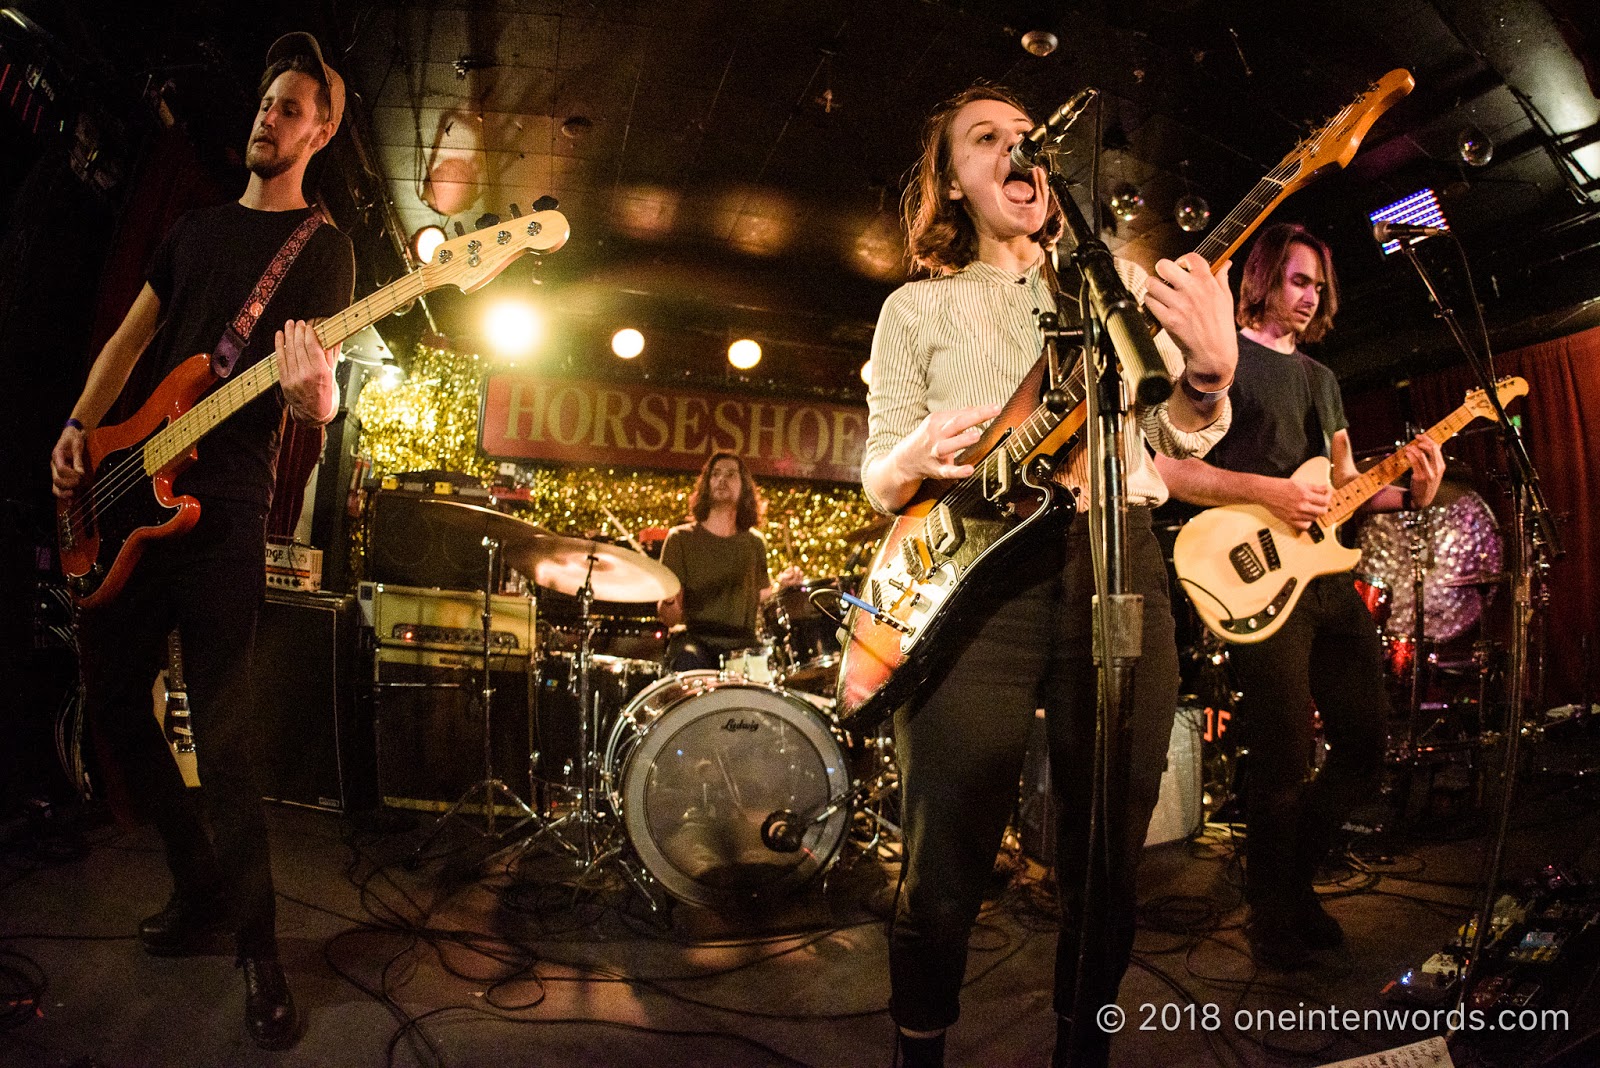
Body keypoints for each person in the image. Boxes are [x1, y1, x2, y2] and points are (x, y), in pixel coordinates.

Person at [862, 85, 1239, 1067]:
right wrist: (911, 462)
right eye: (982, 139)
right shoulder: (917, 307)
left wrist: (1207, 375)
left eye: (1023, 136)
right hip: (973, 592)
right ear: (952, 178)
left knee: (1109, 861)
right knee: (944, 861)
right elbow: (876, 473)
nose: (1011, 150)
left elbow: (1175, 428)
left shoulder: (1110, 289)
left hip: (1115, 567)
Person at [48, 33, 355, 1050]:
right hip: (130, 486)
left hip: (220, 513)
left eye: (289, 106)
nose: (267, 116)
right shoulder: (190, 230)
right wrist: (79, 432)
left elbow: (319, 390)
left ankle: (260, 952)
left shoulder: (324, 250)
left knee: (224, 737)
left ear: (322, 129)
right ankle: (201, 888)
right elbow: (132, 342)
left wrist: (319, 394)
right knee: (116, 711)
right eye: (265, 101)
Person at [1153, 222, 1445, 969]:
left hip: (1327, 578)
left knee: (1364, 745)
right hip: (1252, 573)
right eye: (1299, 280)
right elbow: (1170, 471)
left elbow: (1345, 492)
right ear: (1264, 279)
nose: (1312, 296)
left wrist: (1410, 490)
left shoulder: (1321, 380)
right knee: (1282, 763)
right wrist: (1274, 494)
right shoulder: (1221, 359)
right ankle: (1275, 916)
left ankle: (1286, 884)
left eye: (1320, 285)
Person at [657, 451, 802, 671]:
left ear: (744, 488)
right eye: (715, 474)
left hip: (743, 643)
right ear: (706, 484)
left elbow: (758, 596)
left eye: (731, 474)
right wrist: (668, 601)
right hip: (695, 641)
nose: (722, 479)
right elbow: (670, 618)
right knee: (688, 662)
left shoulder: (755, 543)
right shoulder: (680, 539)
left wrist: (783, 587)